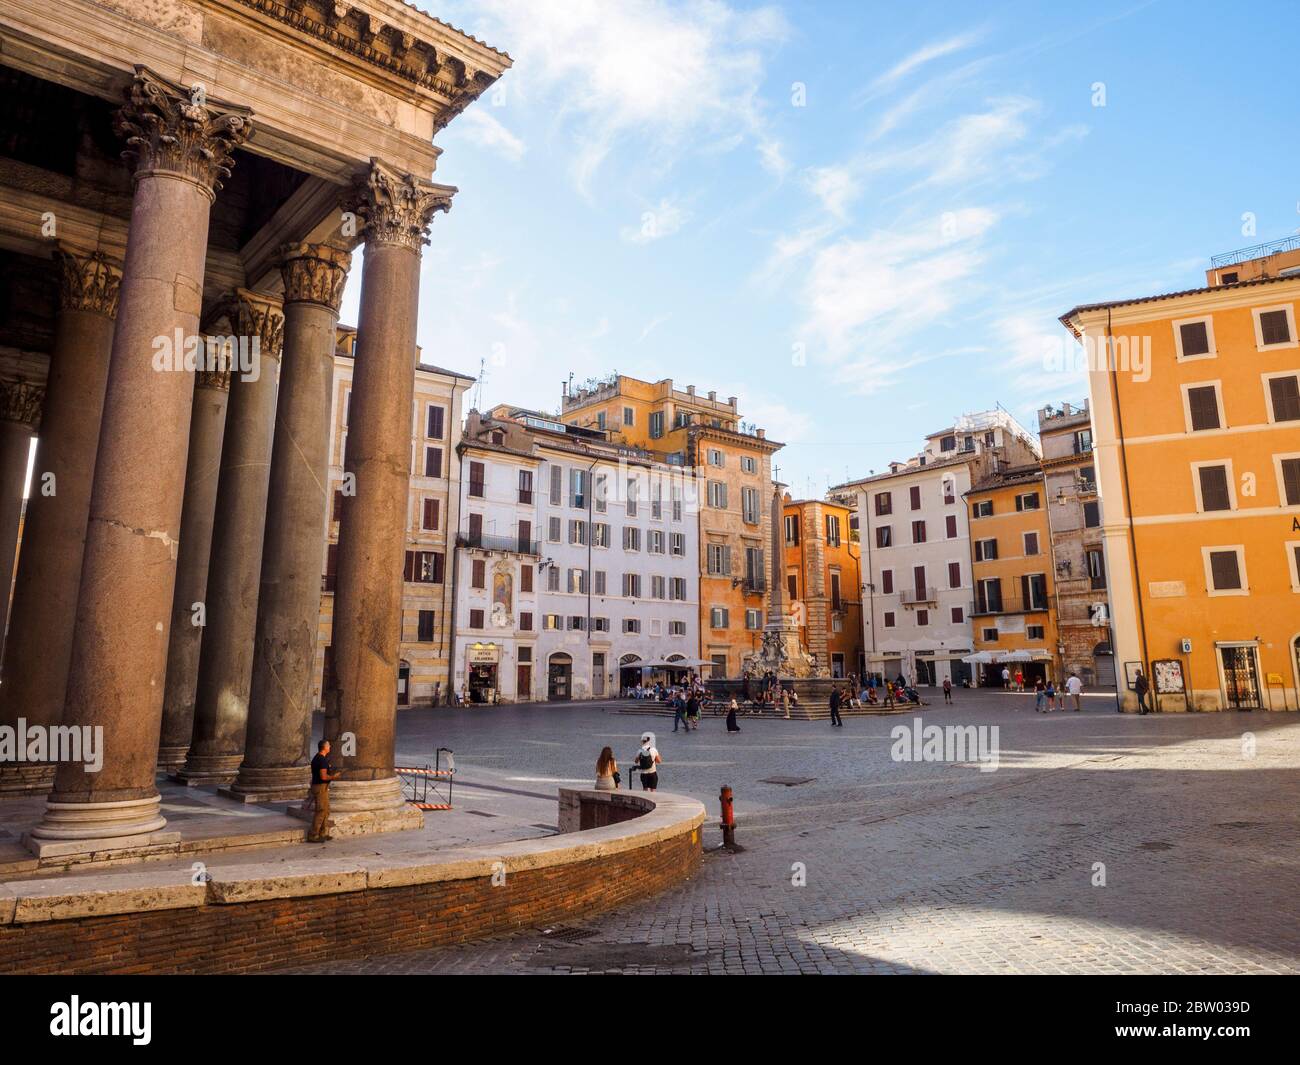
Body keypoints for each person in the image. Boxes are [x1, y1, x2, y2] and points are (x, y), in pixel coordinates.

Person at [307, 738, 341, 843]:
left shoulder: (320, 758)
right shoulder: (321, 760)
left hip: (322, 787)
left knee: (326, 810)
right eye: (329, 745)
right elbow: (323, 777)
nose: (330, 747)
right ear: (325, 747)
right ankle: (313, 835)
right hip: (320, 786)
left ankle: (322, 833)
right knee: (321, 810)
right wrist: (334, 776)